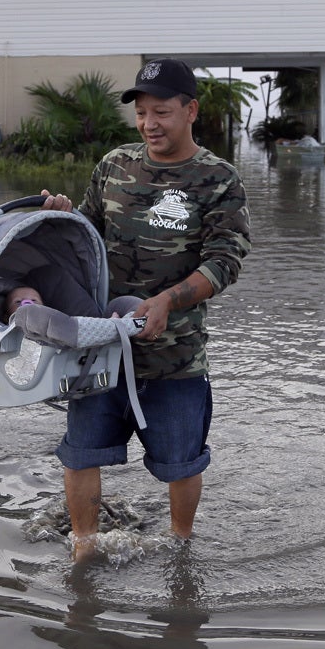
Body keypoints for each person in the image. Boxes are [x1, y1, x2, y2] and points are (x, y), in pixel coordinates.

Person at [42, 58, 251, 562]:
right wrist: (62, 217)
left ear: (191, 110)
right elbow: (85, 238)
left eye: (161, 111)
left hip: (176, 356)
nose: (149, 123)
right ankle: (83, 550)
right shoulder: (115, 165)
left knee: (182, 462)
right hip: (100, 348)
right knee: (80, 452)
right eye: (141, 113)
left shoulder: (217, 179)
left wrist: (167, 301)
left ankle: (181, 551)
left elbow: (226, 260)